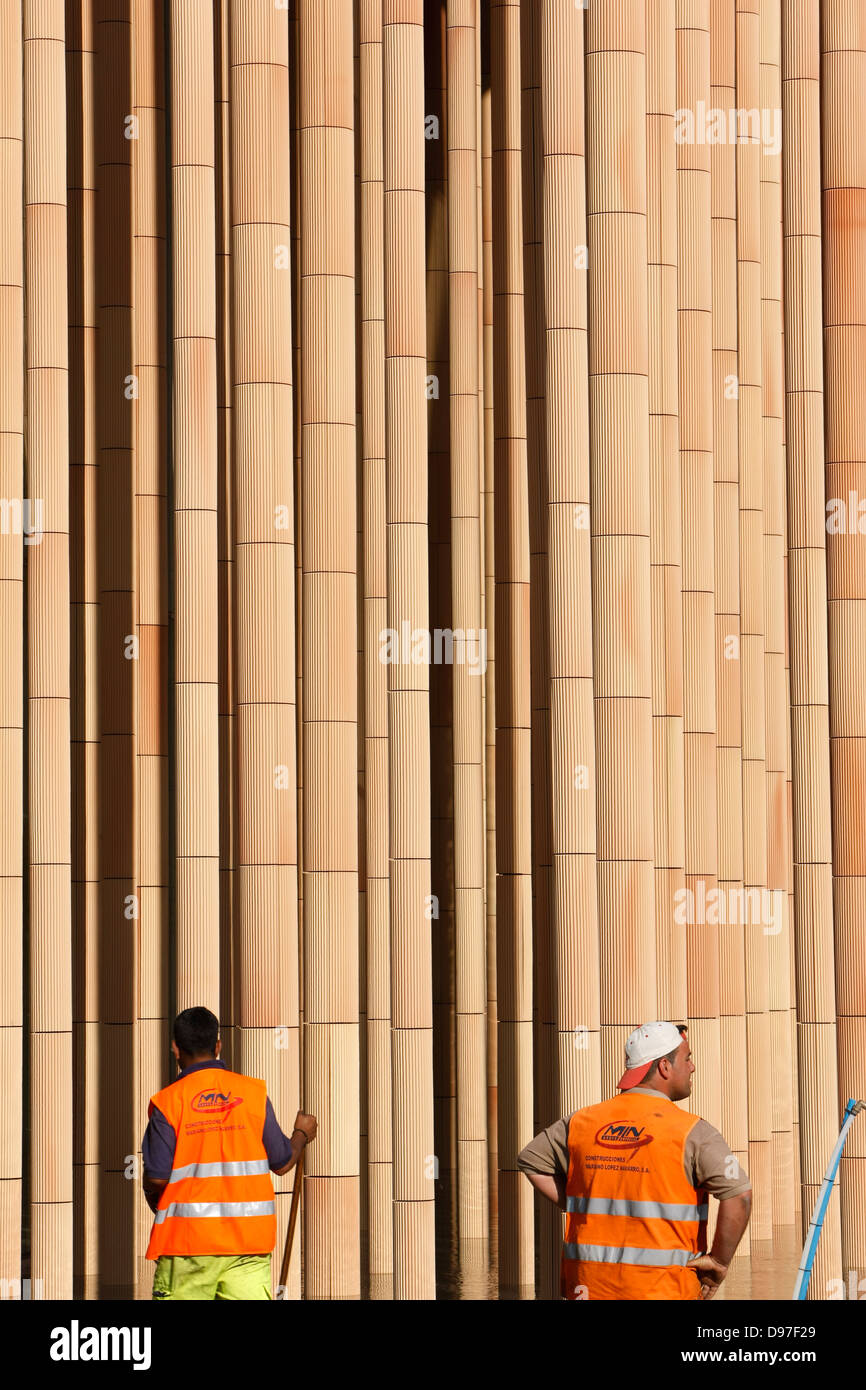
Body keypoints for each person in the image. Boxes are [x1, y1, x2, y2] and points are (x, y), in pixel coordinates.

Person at [517, 1021, 752, 1300]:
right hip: (662, 1291)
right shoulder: (691, 1132)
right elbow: (739, 1196)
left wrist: (581, 1203)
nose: (691, 1067)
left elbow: (531, 1159)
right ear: (664, 1066)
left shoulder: (581, 1122)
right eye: (687, 1059)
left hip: (588, 1289)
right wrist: (719, 1261)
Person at [141, 1006, 316, 1301]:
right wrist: (302, 1133)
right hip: (247, 1247)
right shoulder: (252, 1094)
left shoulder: (168, 1104)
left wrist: (169, 1208)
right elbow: (283, 1162)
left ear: (175, 1048)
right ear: (218, 1046)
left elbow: (157, 1179)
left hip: (187, 1248)